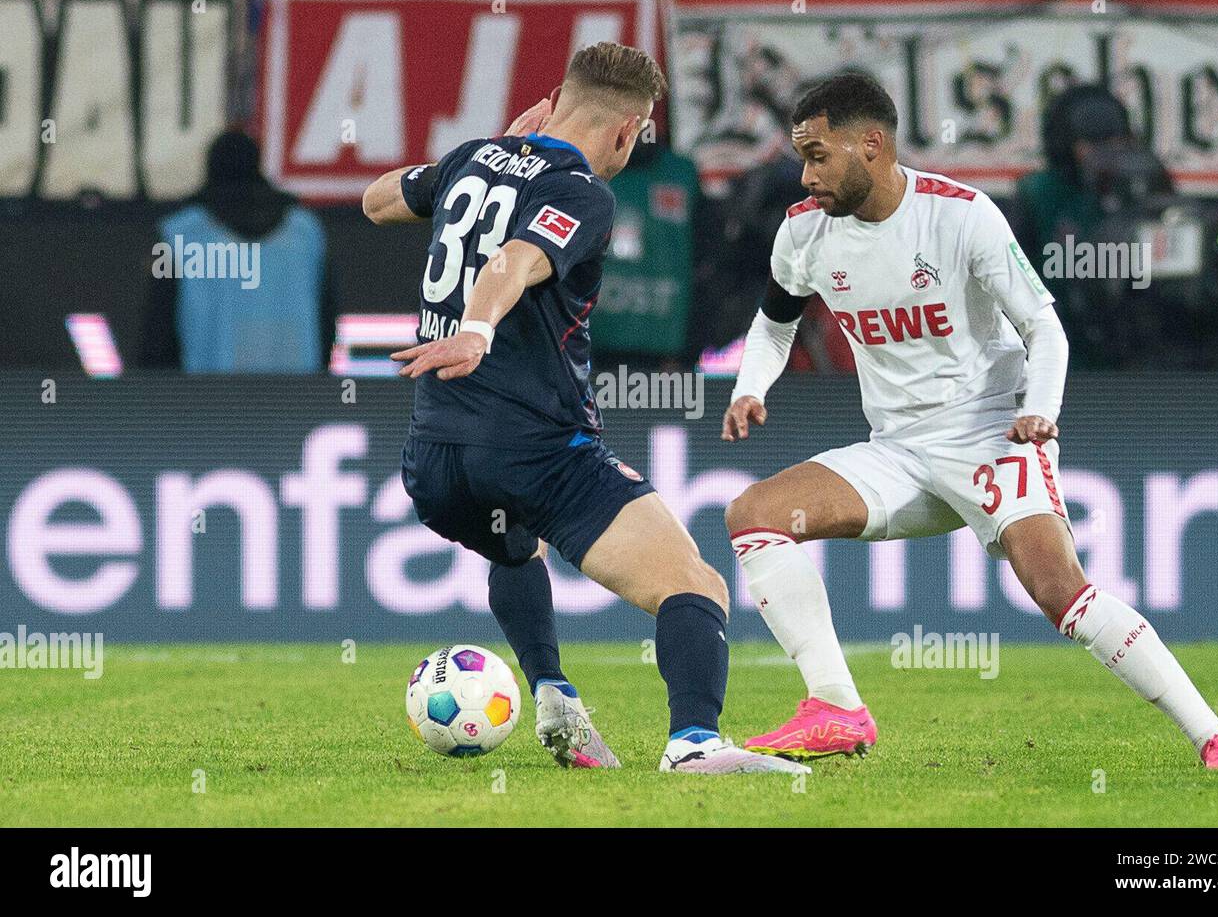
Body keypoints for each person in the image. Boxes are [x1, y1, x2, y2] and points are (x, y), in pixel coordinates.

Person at [720, 73, 1218, 770]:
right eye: (802, 156)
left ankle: (1216, 737)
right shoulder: (802, 231)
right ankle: (836, 706)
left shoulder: (960, 214)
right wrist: (749, 388)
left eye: (819, 155)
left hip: (990, 432)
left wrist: (1040, 410)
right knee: (753, 514)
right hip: (896, 449)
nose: (806, 175)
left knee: (1057, 590)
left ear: (872, 145)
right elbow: (774, 323)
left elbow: (1043, 326)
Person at [364, 42, 805, 776]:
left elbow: (378, 200)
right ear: (626, 132)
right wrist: (477, 328)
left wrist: (499, 149)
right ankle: (693, 745)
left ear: (556, 98)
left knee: (516, 544)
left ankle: (552, 691)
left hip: (435, 460)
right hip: (533, 450)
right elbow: (514, 260)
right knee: (695, 586)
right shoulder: (585, 194)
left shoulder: (476, 156)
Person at [140, 130, 333, 372]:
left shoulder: (181, 234)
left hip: (208, 400)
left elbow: (157, 337)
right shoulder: (306, 234)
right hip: (297, 400)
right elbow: (327, 325)